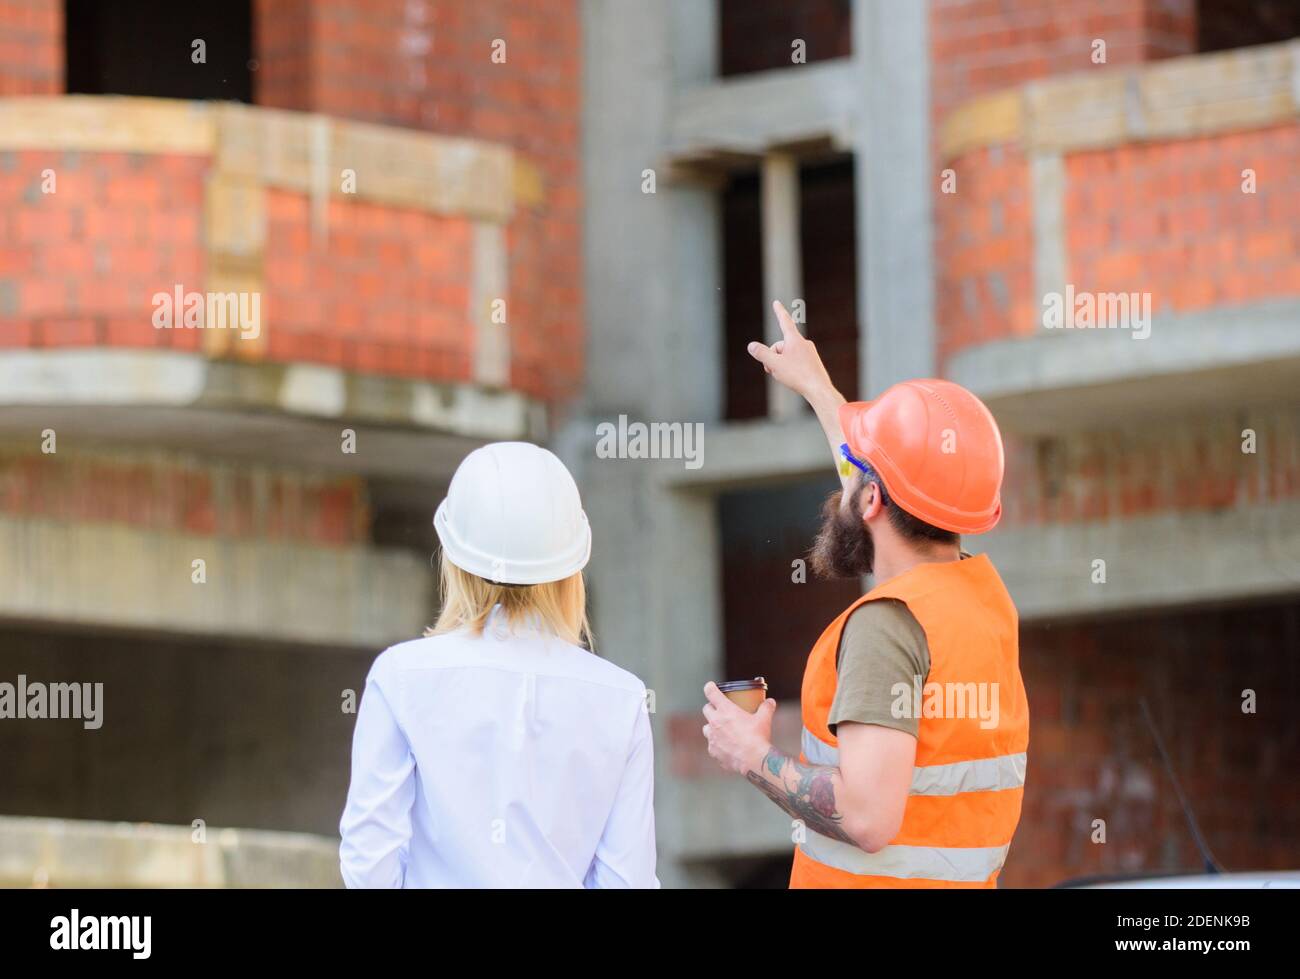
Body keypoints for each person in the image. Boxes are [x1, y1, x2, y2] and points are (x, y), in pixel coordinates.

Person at [701, 302, 1029, 888]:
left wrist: (748, 754)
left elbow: (868, 817)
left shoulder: (889, 627)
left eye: (861, 480)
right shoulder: (979, 601)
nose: (846, 486)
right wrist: (817, 387)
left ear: (873, 503)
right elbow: (877, 482)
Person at [340, 441, 658, 888]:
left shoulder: (401, 677)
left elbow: (369, 860)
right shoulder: (621, 697)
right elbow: (627, 881)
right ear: (572, 568)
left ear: (454, 561)